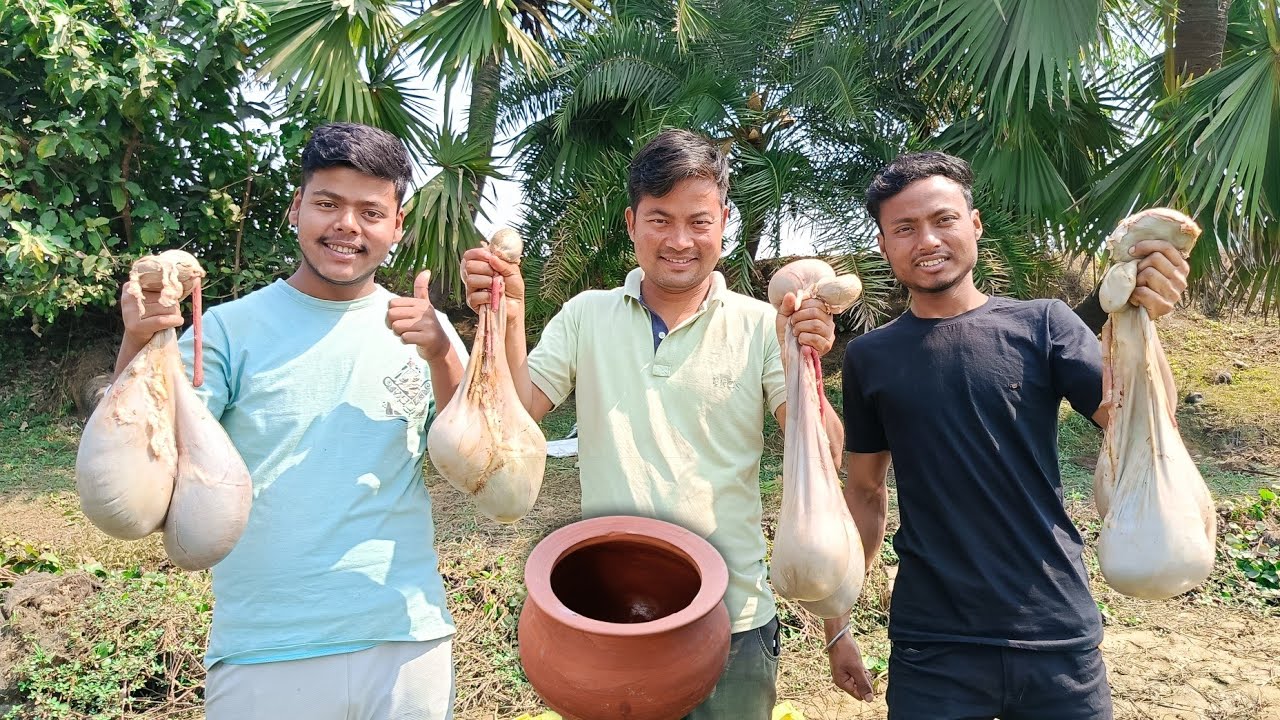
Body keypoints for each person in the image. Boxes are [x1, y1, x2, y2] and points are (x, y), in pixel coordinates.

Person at [462, 128, 874, 718]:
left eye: (698, 221)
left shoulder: (762, 326)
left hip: (733, 623)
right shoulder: (586, 317)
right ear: (631, 222)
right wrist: (511, 312)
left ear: (724, 222)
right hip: (609, 622)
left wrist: (806, 361)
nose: (680, 240)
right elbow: (516, 417)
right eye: (660, 219)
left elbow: (825, 452)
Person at [111, 122, 467, 720]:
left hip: (407, 638)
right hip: (266, 648)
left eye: (371, 211)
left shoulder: (422, 328)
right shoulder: (226, 330)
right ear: (296, 208)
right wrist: (139, 339)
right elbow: (146, 454)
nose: (347, 226)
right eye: (327, 204)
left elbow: (471, 457)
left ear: (397, 226)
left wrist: (441, 352)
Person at [839, 151, 1190, 719]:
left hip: (1055, 631)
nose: (926, 240)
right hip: (934, 646)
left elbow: (1143, 424)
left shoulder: (1044, 324)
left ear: (974, 225)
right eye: (904, 228)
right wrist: (838, 621)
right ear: (884, 245)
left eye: (943, 219)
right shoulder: (869, 357)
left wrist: (1141, 321)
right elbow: (864, 491)